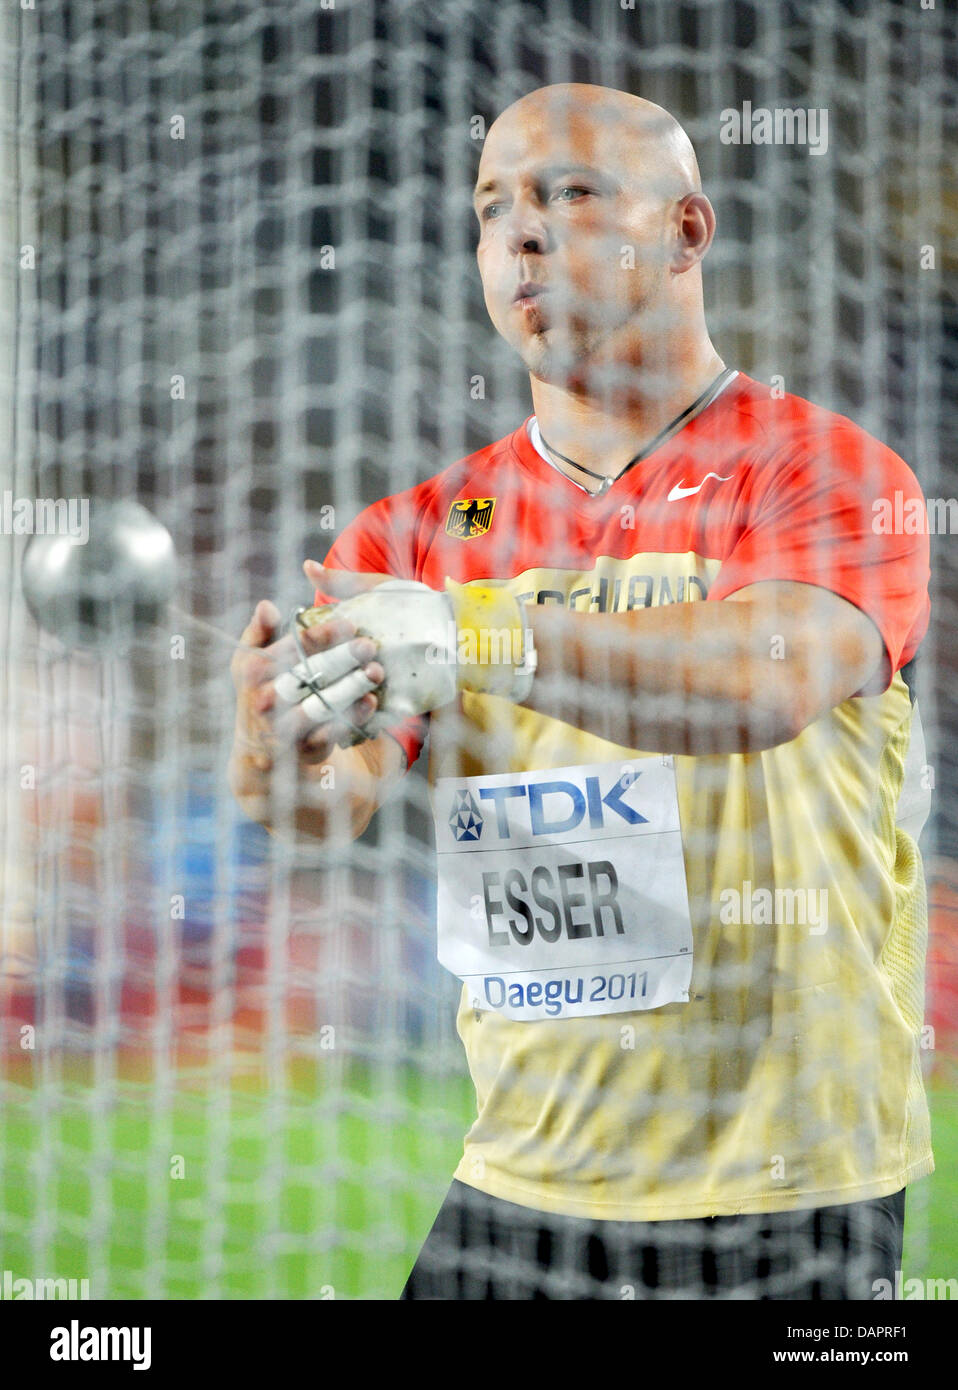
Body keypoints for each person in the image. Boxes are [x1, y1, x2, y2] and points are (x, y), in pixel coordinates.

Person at [228, 84, 932, 1299]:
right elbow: (316, 813)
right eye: (494, 207)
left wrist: (476, 634)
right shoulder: (420, 530)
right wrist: (271, 746)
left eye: (571, 194)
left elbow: (754, 689)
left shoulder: (824, 470)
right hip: (522, 1176)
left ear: (686, 232)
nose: (522, 234)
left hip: (788, 1187)